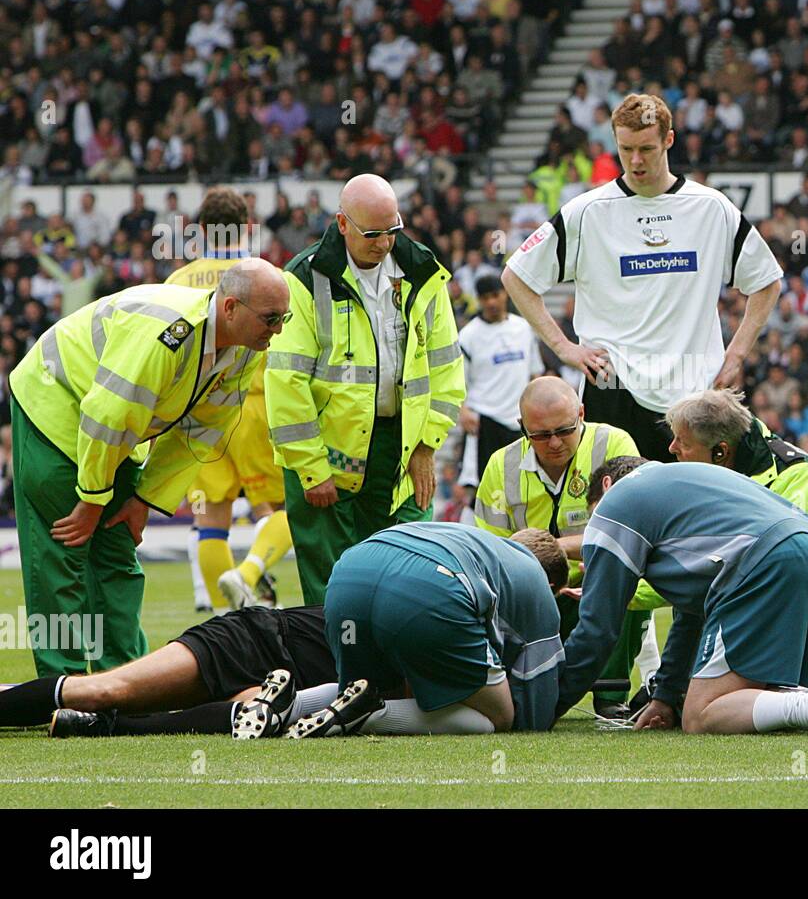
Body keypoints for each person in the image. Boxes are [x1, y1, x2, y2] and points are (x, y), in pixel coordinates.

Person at [8, 260, 288, 676]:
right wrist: (90, 499)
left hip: (113, 431)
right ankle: (61, 684)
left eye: (284, 318)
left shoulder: (245, 349)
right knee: (63, 551)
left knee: (118, 548)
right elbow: (108, 415)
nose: (278, 329)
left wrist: (143, 500)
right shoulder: (167, 335)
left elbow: (197, 436)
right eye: (271, 318)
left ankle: (124, 681)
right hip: (53, 403)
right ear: (230, 308)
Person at [502, 93, 782, 462]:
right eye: (626, 148)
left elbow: (766, 280)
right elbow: (517, 276)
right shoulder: (587, 212)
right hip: (612, 388)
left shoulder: (710, 208)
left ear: (669, 140)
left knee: (691, 511)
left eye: (646, 149)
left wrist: (737, 353)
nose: (635, 161)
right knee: (614, 512)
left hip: (693, 391)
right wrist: (564, 348)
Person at [556, 457, 808, 738]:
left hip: (769, 563)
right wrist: (666, 697)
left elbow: (597, 630)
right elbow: (692, 613)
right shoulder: (685, 487)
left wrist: (547, 705)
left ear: (608, 485)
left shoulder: (617, 503)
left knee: (700, 715)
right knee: (766, 698)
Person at [264, 174, 465, 605]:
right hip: (324, 451)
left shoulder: (423, 273)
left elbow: (446, 368)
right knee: (330, 587)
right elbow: (285, 380)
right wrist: (311, 467)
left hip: (399, 449)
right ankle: (336, 670)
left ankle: (391, 671)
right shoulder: (302, 279)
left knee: (404, 575)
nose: (384, 243)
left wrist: (427, 446)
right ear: (342, 224)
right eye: (372, 234)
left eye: (393, 230)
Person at [475, 376, 655, 716]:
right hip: (534, 592)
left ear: (583, 414)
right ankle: (522, 694)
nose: (555, 443)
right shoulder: (501, 465)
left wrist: (554, 547)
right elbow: (491, 555)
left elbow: (631, 532)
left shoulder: (614, 443)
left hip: (595, 581)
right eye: (541, 435)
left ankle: (611, 696)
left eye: (564, 430)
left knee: (625, 574)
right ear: (522, 428)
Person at [288, 522, 568, 736]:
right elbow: (537, 693)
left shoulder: (475, 541)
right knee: (500, 716)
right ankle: (372, 715)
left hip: (348, 575)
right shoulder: (536, 580)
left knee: (365, 689)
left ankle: (288, 704)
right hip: (428, 588)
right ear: (552, 585)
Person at [664, 388, 808, 647]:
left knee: (762, 599)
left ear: (721, 451)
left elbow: (795, 565)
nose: (671, 448)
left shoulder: (800, 476)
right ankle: (675, 684)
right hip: (781, 600)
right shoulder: (711, 477)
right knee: (697, 602)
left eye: (684, 443)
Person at [164, 186, 293, 612]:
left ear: (201, 229)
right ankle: (250, 574)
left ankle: (227, 618)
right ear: (248, 227)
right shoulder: (266, 276)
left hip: (198, 411)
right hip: (254, 402)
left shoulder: (179, 279)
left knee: (210, 519)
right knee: (277, 507)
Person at [0, 606, 336, 737]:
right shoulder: (384, 614)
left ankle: (102, 725)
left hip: (290, 684)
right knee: (104, 691)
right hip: (252, 639)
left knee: (256, 718)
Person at [455, 273, 544, 492]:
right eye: (485, 298)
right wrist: (463, 411)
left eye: (495, 295)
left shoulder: (523, 328)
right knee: (482, 488)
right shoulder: (468, 335)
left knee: (522, 485)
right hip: (484, 419)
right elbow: (457, 380)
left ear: (505, 294)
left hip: (520, 420)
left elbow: (535, 373)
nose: (491, 302)